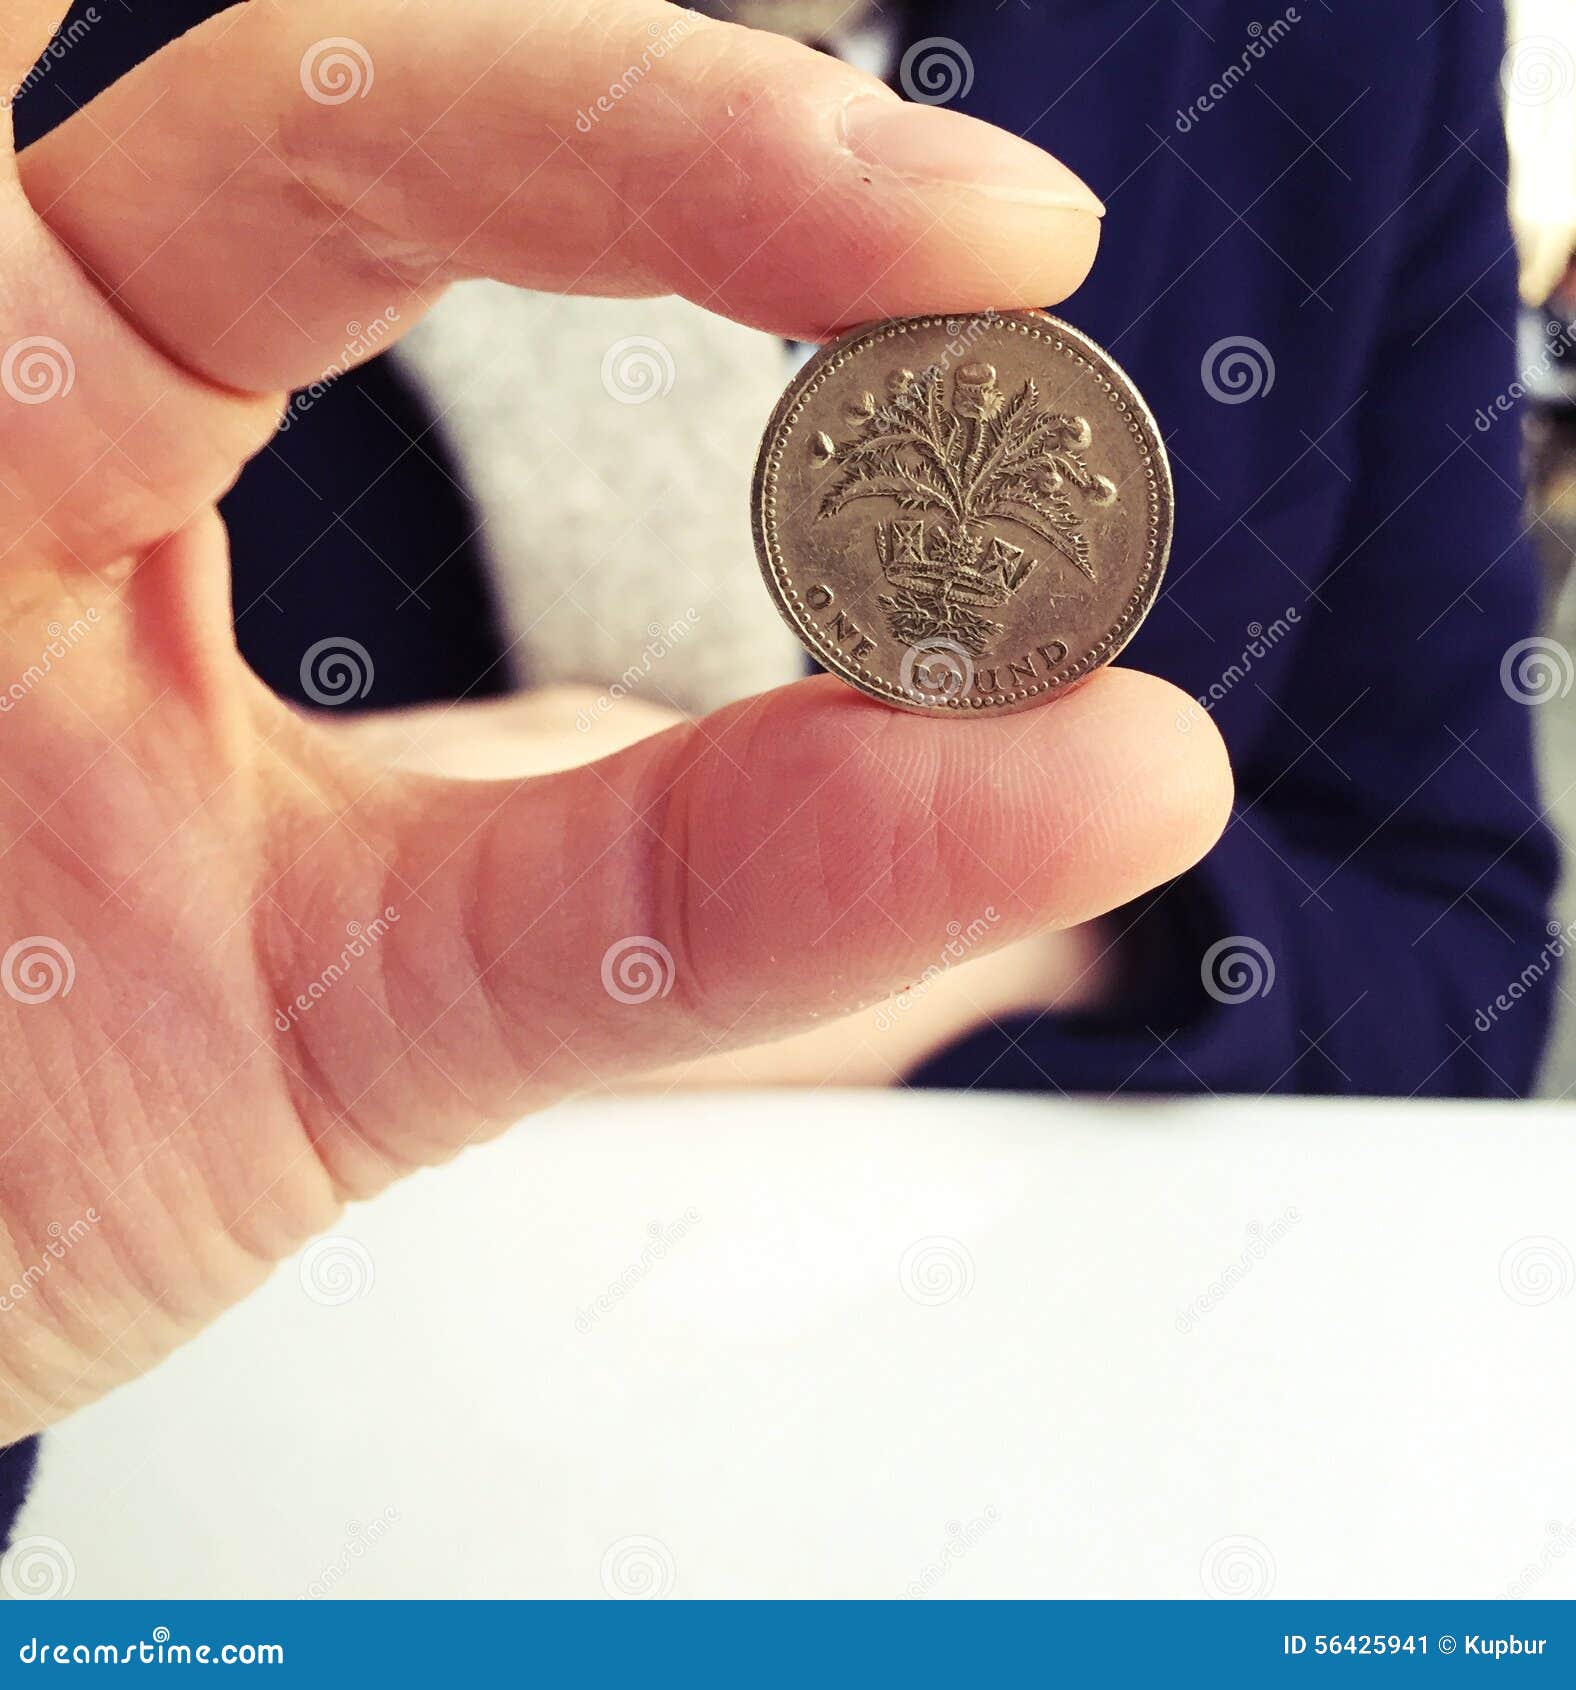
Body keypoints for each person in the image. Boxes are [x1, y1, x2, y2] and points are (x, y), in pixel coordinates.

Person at [0, 0, 1555, 1540]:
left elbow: (1457, 955)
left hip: (1049, 1443)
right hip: (295, 1447)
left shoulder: (1360, 37)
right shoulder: (128, 76)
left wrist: (940, 933)